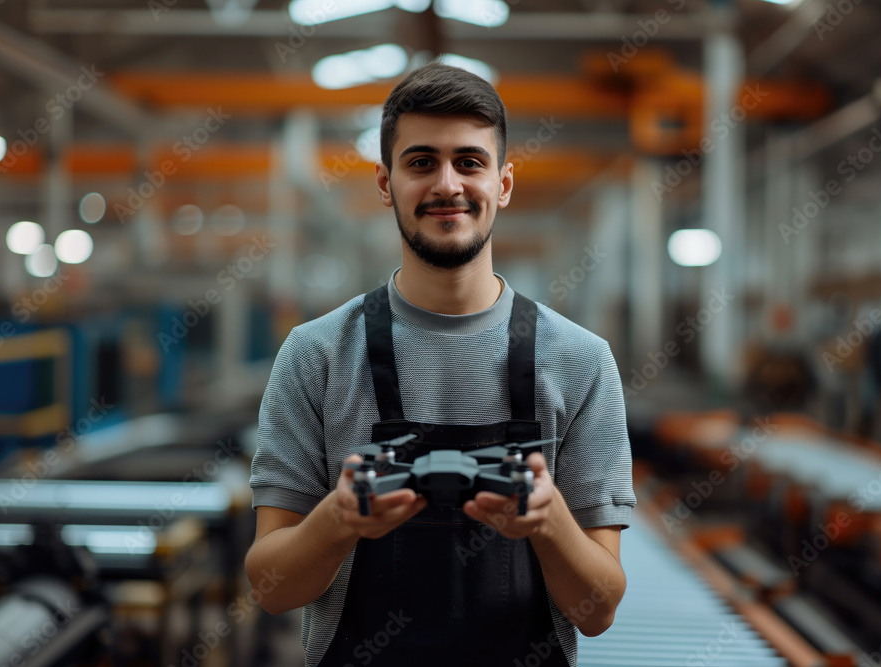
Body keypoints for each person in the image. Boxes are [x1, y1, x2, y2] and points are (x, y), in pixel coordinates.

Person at [246, 61, 636, 667]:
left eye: (470, 162)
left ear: (503, 184)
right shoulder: (316, 353)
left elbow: (599, 610)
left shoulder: (579, 360)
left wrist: (549, 520)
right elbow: (270, 590)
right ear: (385, 183)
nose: (448, 185)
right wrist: (339, 519)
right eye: (422, 162)